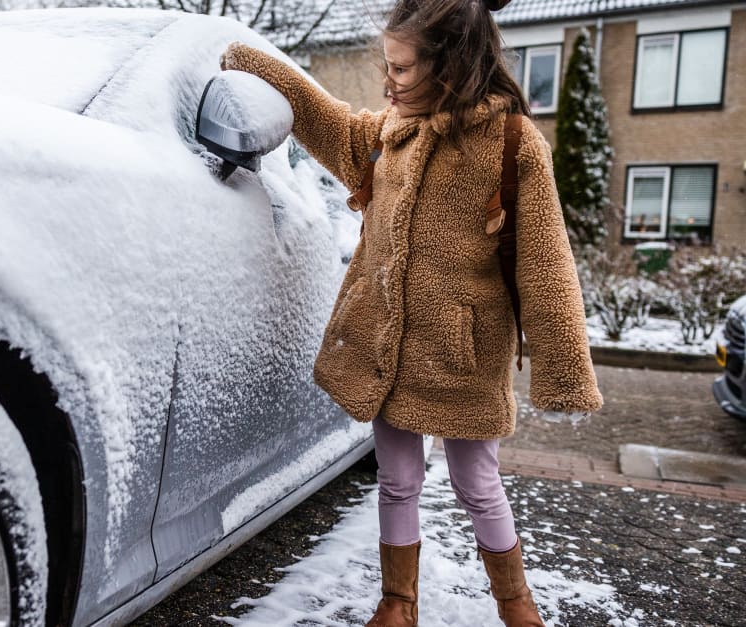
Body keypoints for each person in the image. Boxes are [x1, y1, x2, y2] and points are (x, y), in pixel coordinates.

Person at [221, 0, 603, 625]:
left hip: (462, 357)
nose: (388, 81)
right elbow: (328, 120)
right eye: (387, 67)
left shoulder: (511, 144)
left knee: (477, 484)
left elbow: (546, 262)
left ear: (450, 65)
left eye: (401, 70)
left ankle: (515, 602)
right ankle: (398, 600)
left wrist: (563, 369)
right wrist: (261, 66)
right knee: (397, 482)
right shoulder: (389, 134)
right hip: (385, 352)